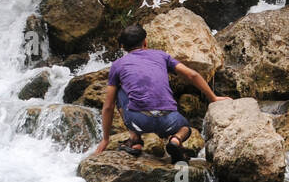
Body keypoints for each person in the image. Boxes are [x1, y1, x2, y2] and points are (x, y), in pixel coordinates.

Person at [91, 24, 229, 161]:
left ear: (123, 47)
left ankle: (135, 140)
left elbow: (108, 106)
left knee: (119, 91)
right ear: (145, 42)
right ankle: (175, 140)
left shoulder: (118, 65)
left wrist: (105, 139)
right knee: (185, 128)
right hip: (169, 121)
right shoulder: (161, 56)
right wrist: (213, 97)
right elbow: (192, 75)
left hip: (139, 122)